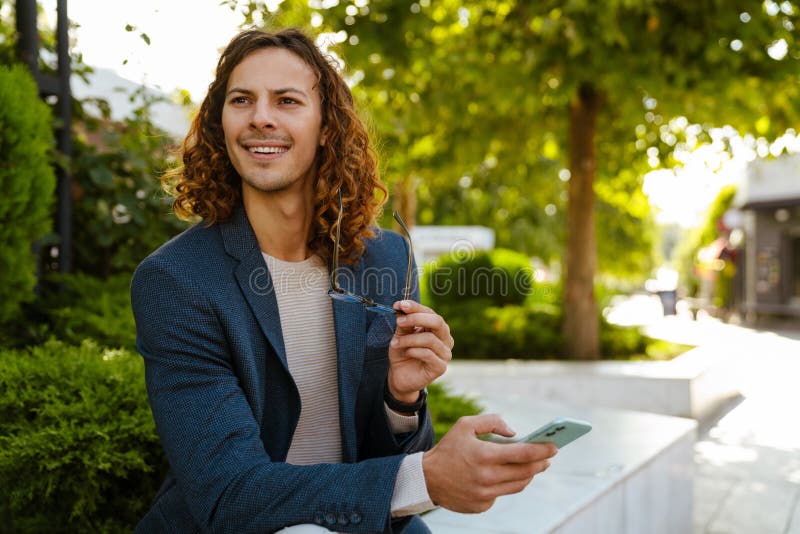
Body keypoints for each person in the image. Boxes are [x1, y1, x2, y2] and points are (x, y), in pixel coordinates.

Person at [131, 27, 557, 534]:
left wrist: (400, 400)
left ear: (326, 127)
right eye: (241, 100)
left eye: (286, 100)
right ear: (221, 122)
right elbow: (230, 496)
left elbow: (386, 460)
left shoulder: (386, 257)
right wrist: (427, 477)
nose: (260, 116)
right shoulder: (177, 281)